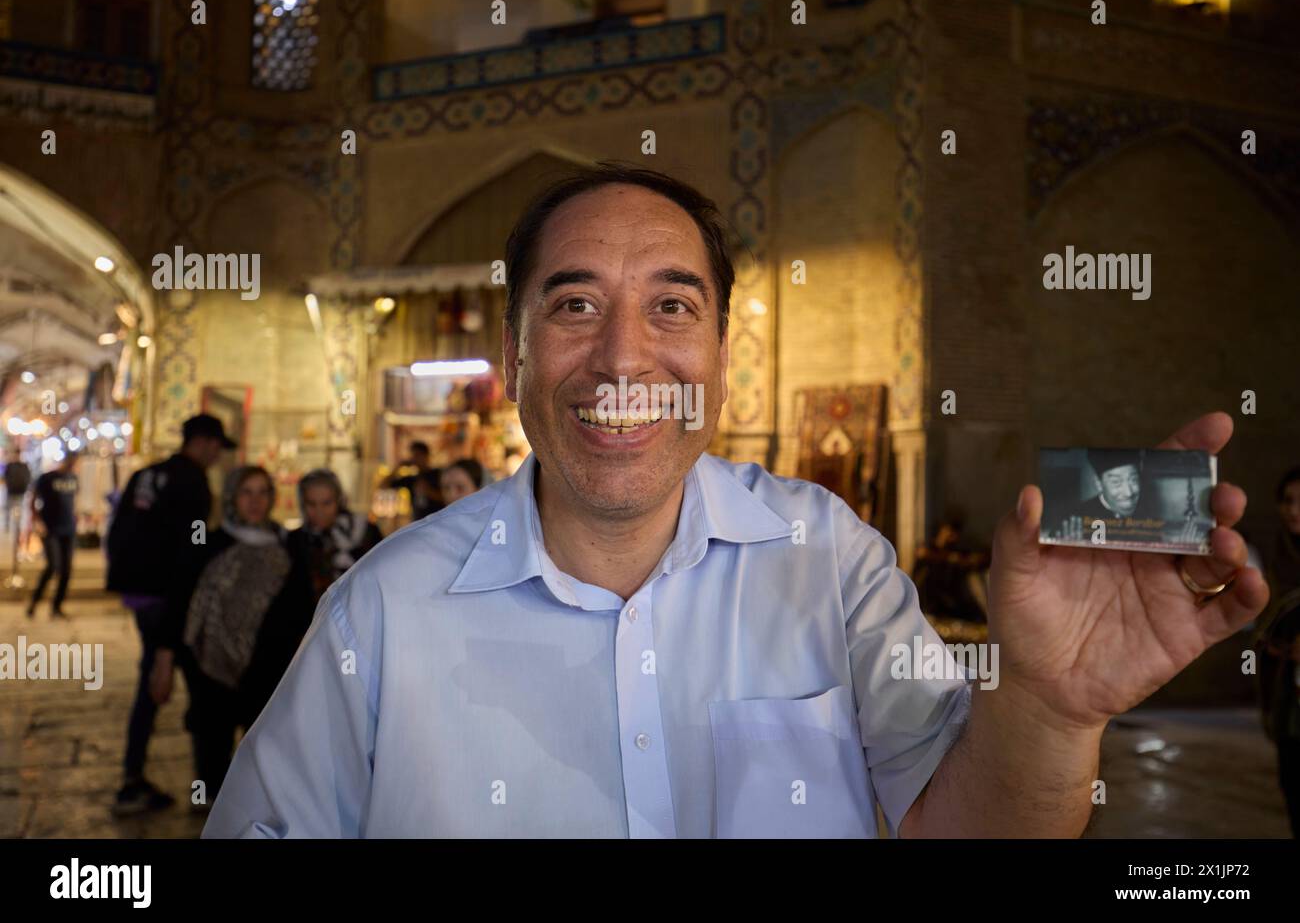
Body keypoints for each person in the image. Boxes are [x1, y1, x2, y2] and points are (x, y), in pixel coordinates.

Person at [205, 163, 1267, 838]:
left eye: (672, 305)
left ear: (720, 355)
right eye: (575, 304)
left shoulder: (828, 561)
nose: (623, 354)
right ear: (515, 353)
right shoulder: (384, 611)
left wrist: (1047, 705)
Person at [108, 412, 235, 816]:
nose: (217, 456)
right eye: (217, 448)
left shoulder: (147, 475)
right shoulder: (193, 482)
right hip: (171, 596)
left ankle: (135, 776)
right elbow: (193, 544)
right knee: (188, 687)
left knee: (153, 679)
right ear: (207, 443)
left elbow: (118, 529)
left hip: (138, 592)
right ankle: (203, 788)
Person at [182, 465, 297, 806]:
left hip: (267, 670)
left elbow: (295, 613)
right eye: (247, 492)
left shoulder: (287, 548)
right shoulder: (211, 543)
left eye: (263, 492)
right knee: (212, 754)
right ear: (232, 496)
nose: (255, 501)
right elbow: (189, 607)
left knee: (261, 756)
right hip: (211, 670)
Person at [1256, 465, 1300, 837]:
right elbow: (1261, 628)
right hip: (1288, 702)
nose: (1293, 510)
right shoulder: (1277, 563)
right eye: (1287, 500)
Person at [288, 468, 382, 610]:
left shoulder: (365, 532)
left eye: (326, 503)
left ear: (338, 500)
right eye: (311, 504)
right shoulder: (296, 540)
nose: (319, 511)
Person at [25, 451, 80, 619]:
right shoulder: (47, 478)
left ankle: (56, 607)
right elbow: (33, 499)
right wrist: (37, 521)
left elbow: (73, 500)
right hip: (50, 529)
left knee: (66, 570)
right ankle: (34, 602)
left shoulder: (73, 479)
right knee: (52, 566)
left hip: (68, 529)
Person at [383, 440, 441, 520]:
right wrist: (398, 467)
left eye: (417, 455)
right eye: (413, 456)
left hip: (436, 521)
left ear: (426, 456)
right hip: (418, 522)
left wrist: (429, 492)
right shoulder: (412, 479)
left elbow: (447, 499)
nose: (414, 459)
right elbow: (384, 485)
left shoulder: (438, 474)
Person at [4, 447, 30, 533]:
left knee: (13, 509)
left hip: (18, 492)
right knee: (9, 509)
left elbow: (6, 477)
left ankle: (13, 525)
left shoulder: (15, 465)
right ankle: (9, 525)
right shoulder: (22, 466)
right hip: (15, 491)